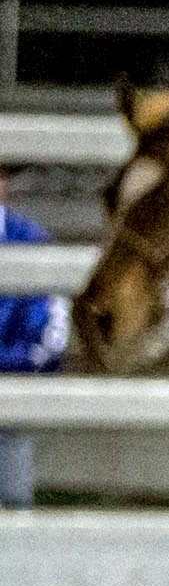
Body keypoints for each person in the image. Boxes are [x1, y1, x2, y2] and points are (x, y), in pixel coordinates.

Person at [0, 169, 62, 510]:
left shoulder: (31, 241)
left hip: (13, 389)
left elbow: (50, 336)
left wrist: (11, 365)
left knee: (13, 503)